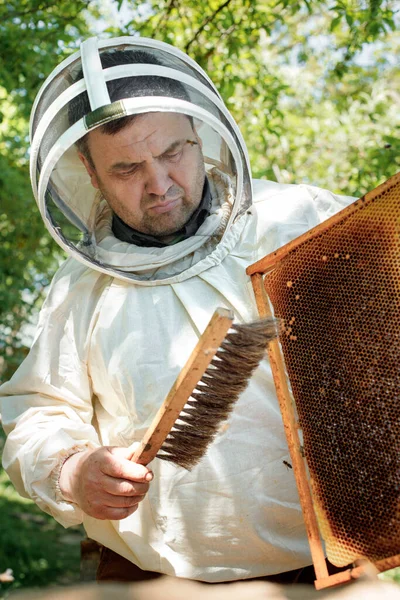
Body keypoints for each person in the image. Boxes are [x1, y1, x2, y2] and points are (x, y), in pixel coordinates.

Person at [0, 36, 354, 584]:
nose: (160, 184)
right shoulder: (81, 288)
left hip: (326, 568)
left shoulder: (301, 221)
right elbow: (35, 413)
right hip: (151, 581)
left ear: (201, 135)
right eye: (126, 169)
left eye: (173, 153)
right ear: (90, 174)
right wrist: (71, 470)